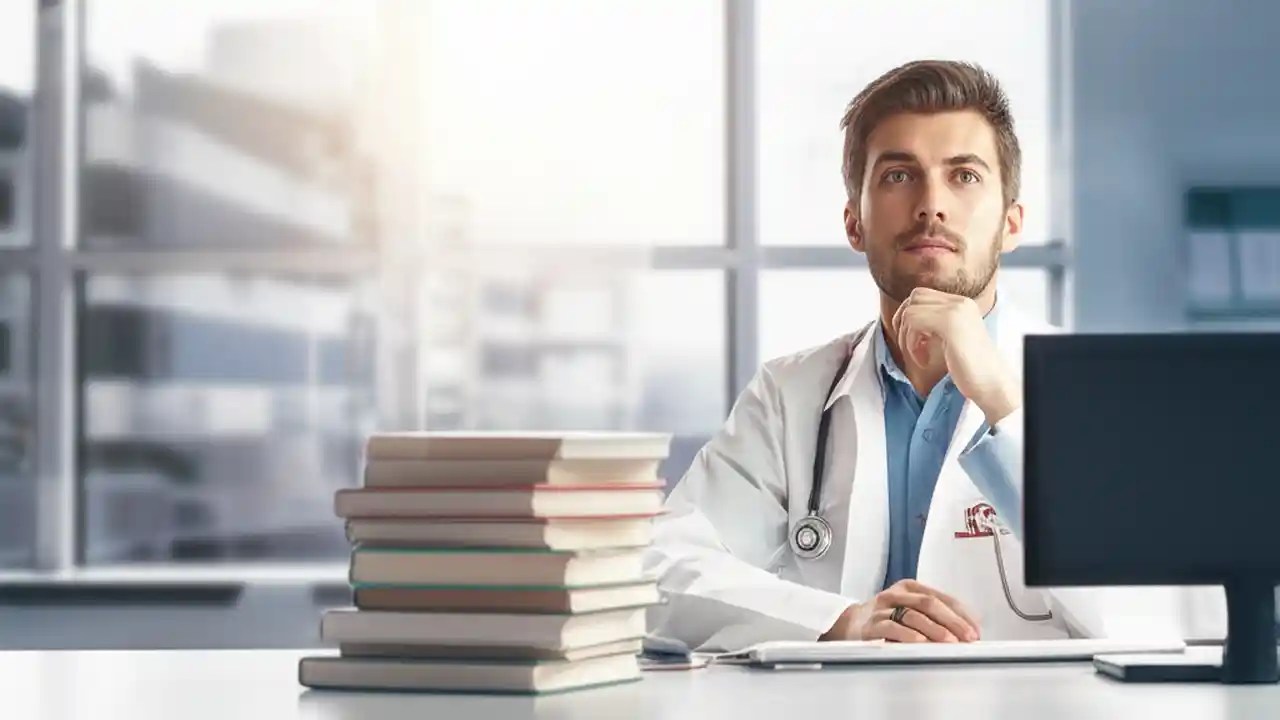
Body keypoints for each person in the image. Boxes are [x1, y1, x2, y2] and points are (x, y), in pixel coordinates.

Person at [643, 60, 1224, 652]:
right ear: (854, 223)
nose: (931, 205)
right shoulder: (791, 394)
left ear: (1011, 223)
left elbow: (1154, 618)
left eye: (965, 176)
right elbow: (659, 572)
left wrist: (1005, 403)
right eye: (899, 176)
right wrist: (840, 620)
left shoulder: (1102, 391)